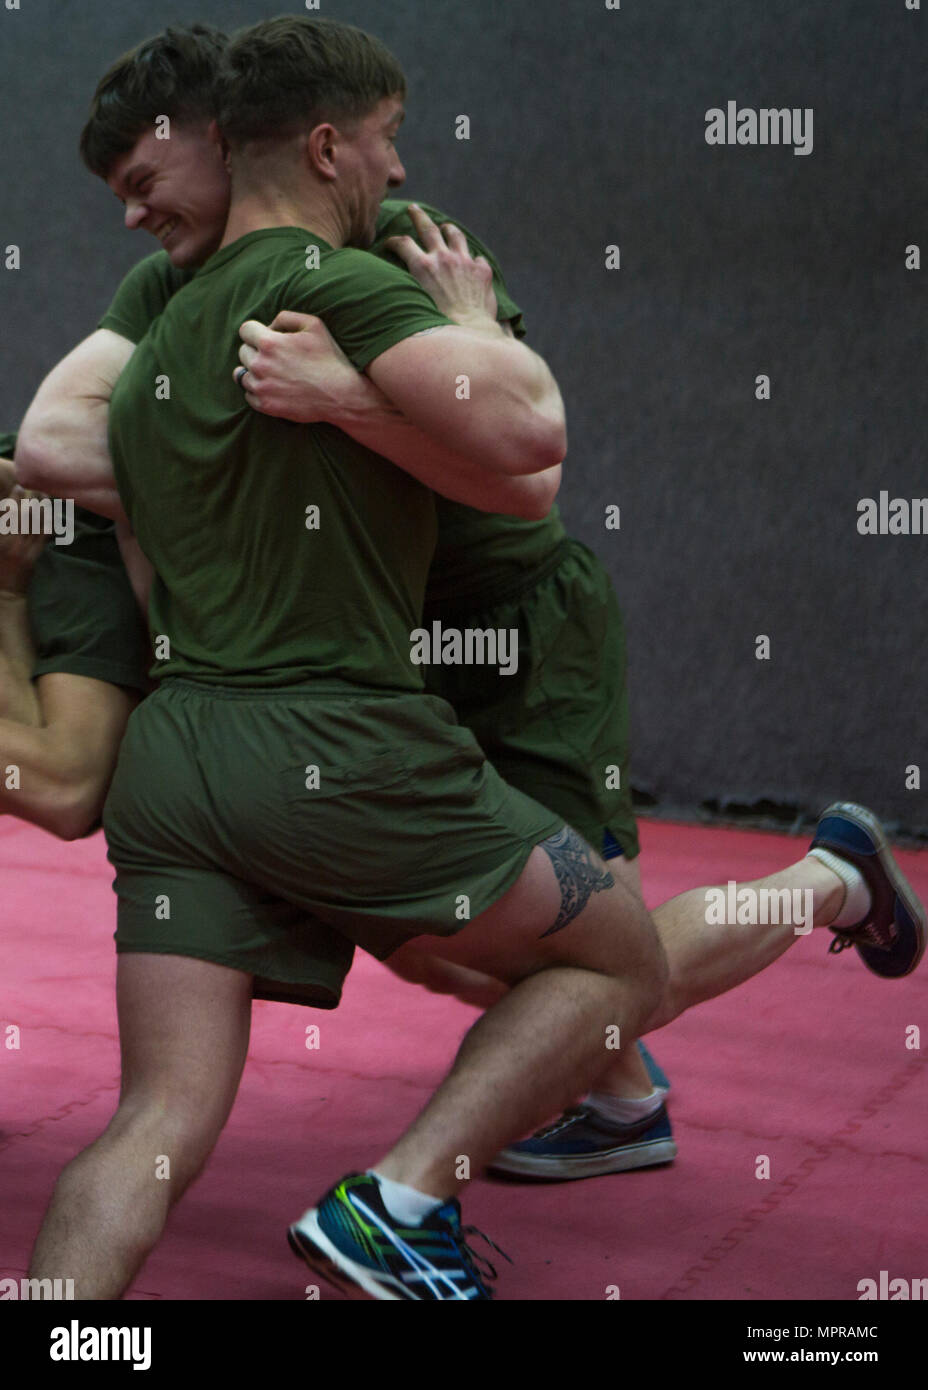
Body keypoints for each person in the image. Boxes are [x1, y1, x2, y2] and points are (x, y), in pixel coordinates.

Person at [12, 18, 923, 1301]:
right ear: (324, 144)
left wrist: (334, 408)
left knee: (187, 1103)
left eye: (144, 179)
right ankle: (437, 1180)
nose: (133, 215)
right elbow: (527, 442)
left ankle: (66, 1334)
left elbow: (521, 497)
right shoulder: (256, 284)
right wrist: (401, 374)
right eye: (383, 145)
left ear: (235, 141)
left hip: (454, 662)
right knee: (602, 965)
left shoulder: (306, 283)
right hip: (347, 713)